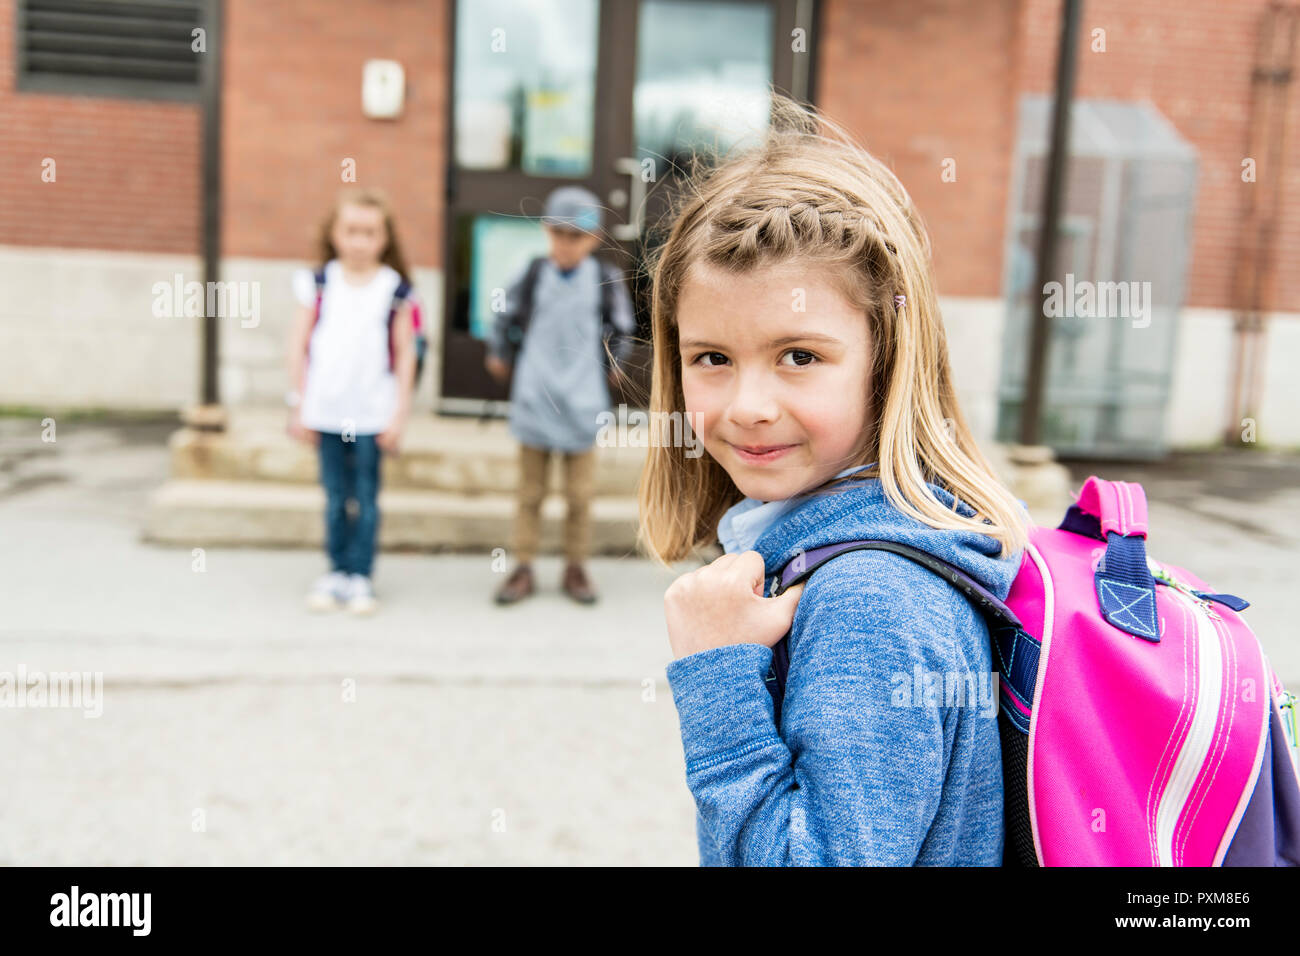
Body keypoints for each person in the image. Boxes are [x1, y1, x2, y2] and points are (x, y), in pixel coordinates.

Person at [638, 92, 1031, 865]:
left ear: (887, 361)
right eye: (712, 358)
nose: (748, 407)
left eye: (800, 356)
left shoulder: (870, 599)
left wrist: (716, 674)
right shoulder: (859, 552)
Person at [485, 186, 636, 605]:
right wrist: (498, 352)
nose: (567, 245)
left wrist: (616, 364)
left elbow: (622, 328)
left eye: (577, 236)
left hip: (583, 398)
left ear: (594, 239)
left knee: (579, 496)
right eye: (559, 234)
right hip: (536, 392)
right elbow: (503, 314)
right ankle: (523, 564)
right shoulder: (531, 273)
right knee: (530, 492)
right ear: (546, 232)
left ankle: (575, 566)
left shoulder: (605, 280)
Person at [286, 186, 418, 615]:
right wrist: (298, 403)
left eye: (370, 232)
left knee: (366, 495)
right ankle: (336, 570)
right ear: (335, 234)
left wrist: (398, 415)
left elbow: (405, 355)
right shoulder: (318, 283)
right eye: (352, 231)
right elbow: (298, 344)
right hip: (325, 411)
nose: (360, 241)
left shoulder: (395, 288)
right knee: (333, 494)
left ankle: (360, 574)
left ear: (384, 238)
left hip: (371, 415)